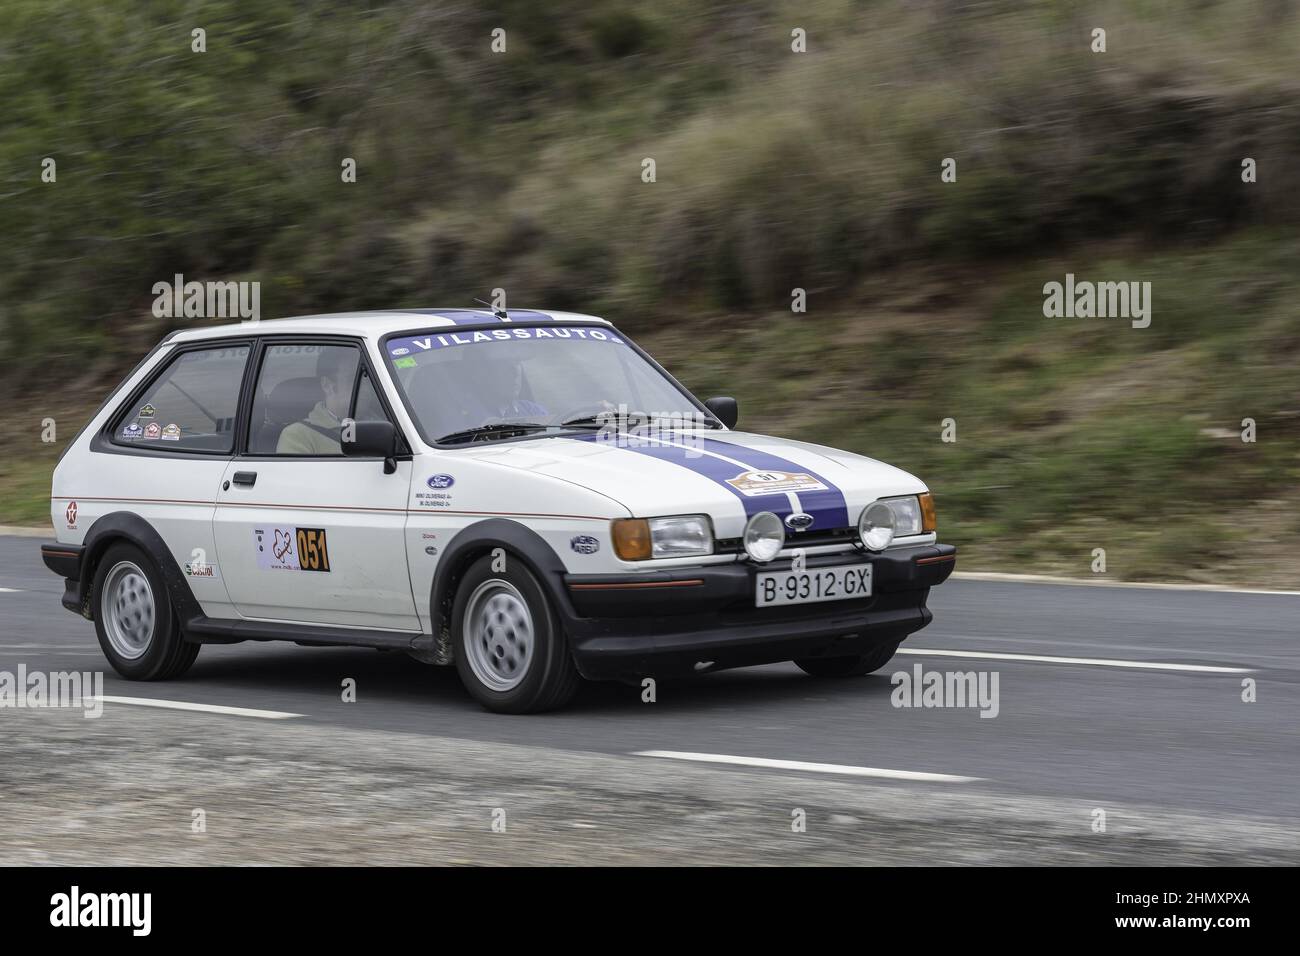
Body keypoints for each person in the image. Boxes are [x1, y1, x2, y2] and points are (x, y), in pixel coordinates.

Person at [277, 349, 355, 454]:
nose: (365, 388)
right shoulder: (297, 435)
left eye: (365, 379)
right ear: (327, 385)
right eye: (353, 379)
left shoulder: (383, 419)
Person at [477, 355, 547, 422]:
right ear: (487, 374)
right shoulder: (473, 419)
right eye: (505, 365)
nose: (516, 373)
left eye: (517, 363)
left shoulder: (534, 411)